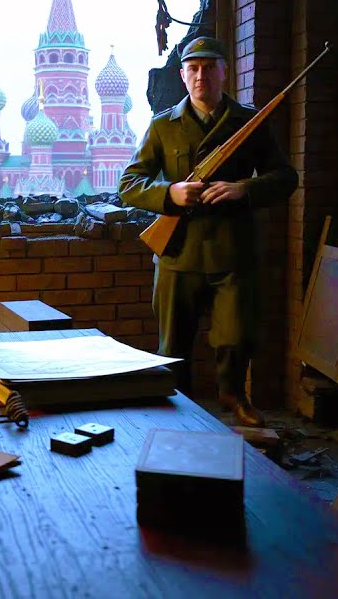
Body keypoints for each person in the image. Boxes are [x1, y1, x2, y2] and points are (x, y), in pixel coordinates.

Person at [118, 37, 299, 428]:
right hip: (178, 252)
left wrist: (243, 189)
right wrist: (170, 193)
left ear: (224, 71)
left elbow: (286, 178)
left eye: (209, 67)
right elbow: (130, 183)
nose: (201, 75)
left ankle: (233, 397)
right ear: (183, 76)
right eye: (193, 68)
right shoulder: (163, 126)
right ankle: (177, 410)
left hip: (233, 251)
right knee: (173, 345)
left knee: (235, 337)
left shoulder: (249, 123)